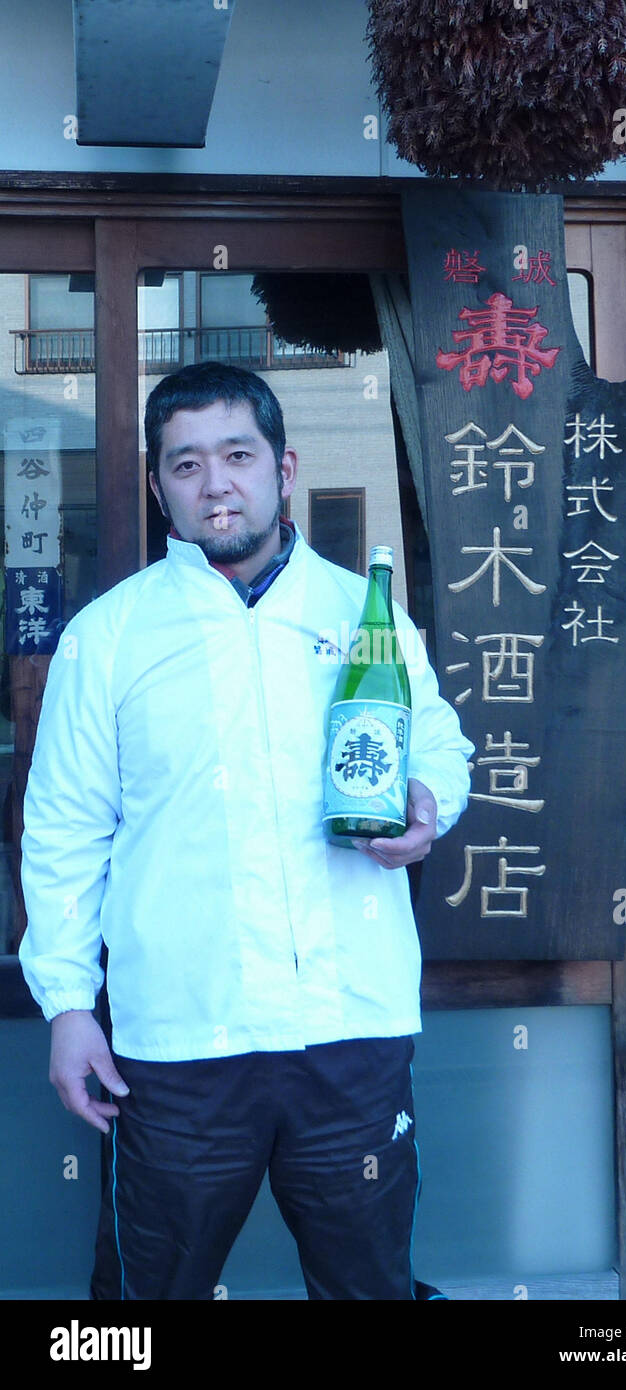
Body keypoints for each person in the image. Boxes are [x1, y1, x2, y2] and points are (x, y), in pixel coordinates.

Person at [18, 361, 475, 1301]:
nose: (214, 482)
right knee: (145, 1299)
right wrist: (68, 1004)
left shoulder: (361, 615)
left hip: (351, 1026)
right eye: (185, 465)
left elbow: (441, 750)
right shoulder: (107, 638)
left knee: (369, 1287)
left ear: (285, 467)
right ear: (158, 488)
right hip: (179, 1041)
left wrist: (427, 805)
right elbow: (63, 830)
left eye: (236, 455)